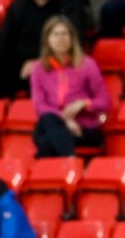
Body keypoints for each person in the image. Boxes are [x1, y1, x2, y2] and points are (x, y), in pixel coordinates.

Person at [30, 16, 111, 158]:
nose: (61, 38)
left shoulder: (87, 65)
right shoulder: (38, 69)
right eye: (55, 34)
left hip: (83, 128)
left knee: (44, 140)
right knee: (48, 120)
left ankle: (62, 164)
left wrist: (84, 104)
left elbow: (105, 102)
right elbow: (40, 105)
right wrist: (65, 120)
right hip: (57, 125)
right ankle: (70, 158)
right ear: (47, 40)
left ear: (72, 38)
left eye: (65, 34)